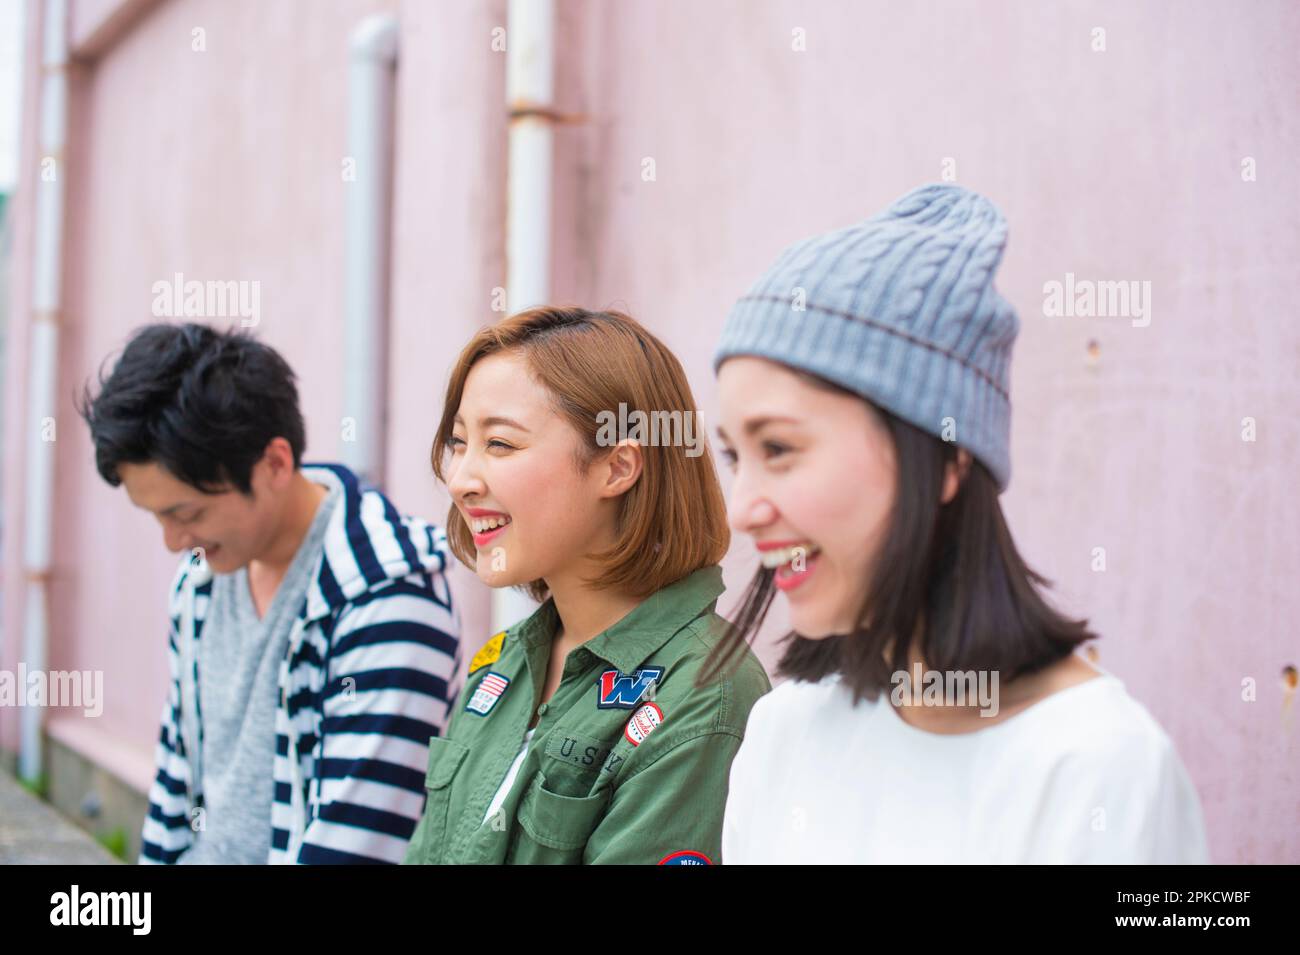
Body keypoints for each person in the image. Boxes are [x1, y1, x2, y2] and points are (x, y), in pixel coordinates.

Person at [708, 183, 1210, 863]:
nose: (742, 507)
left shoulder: (1098, 766)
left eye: (780, 449)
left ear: (946, 457)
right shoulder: (780, 733)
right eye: (736, 455)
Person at [77, 323, 462, 864]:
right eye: (156, 516)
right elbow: (175, 782)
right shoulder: (202, 582)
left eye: (186, 514)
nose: (172, 543)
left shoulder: (388, 597)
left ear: (275, 463)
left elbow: (354, 849)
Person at [401, 306, 770, 865]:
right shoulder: (501, 665)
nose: (459, 480)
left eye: (499, 444)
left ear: (618, 468)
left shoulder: (704, 692)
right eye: (458, 442)